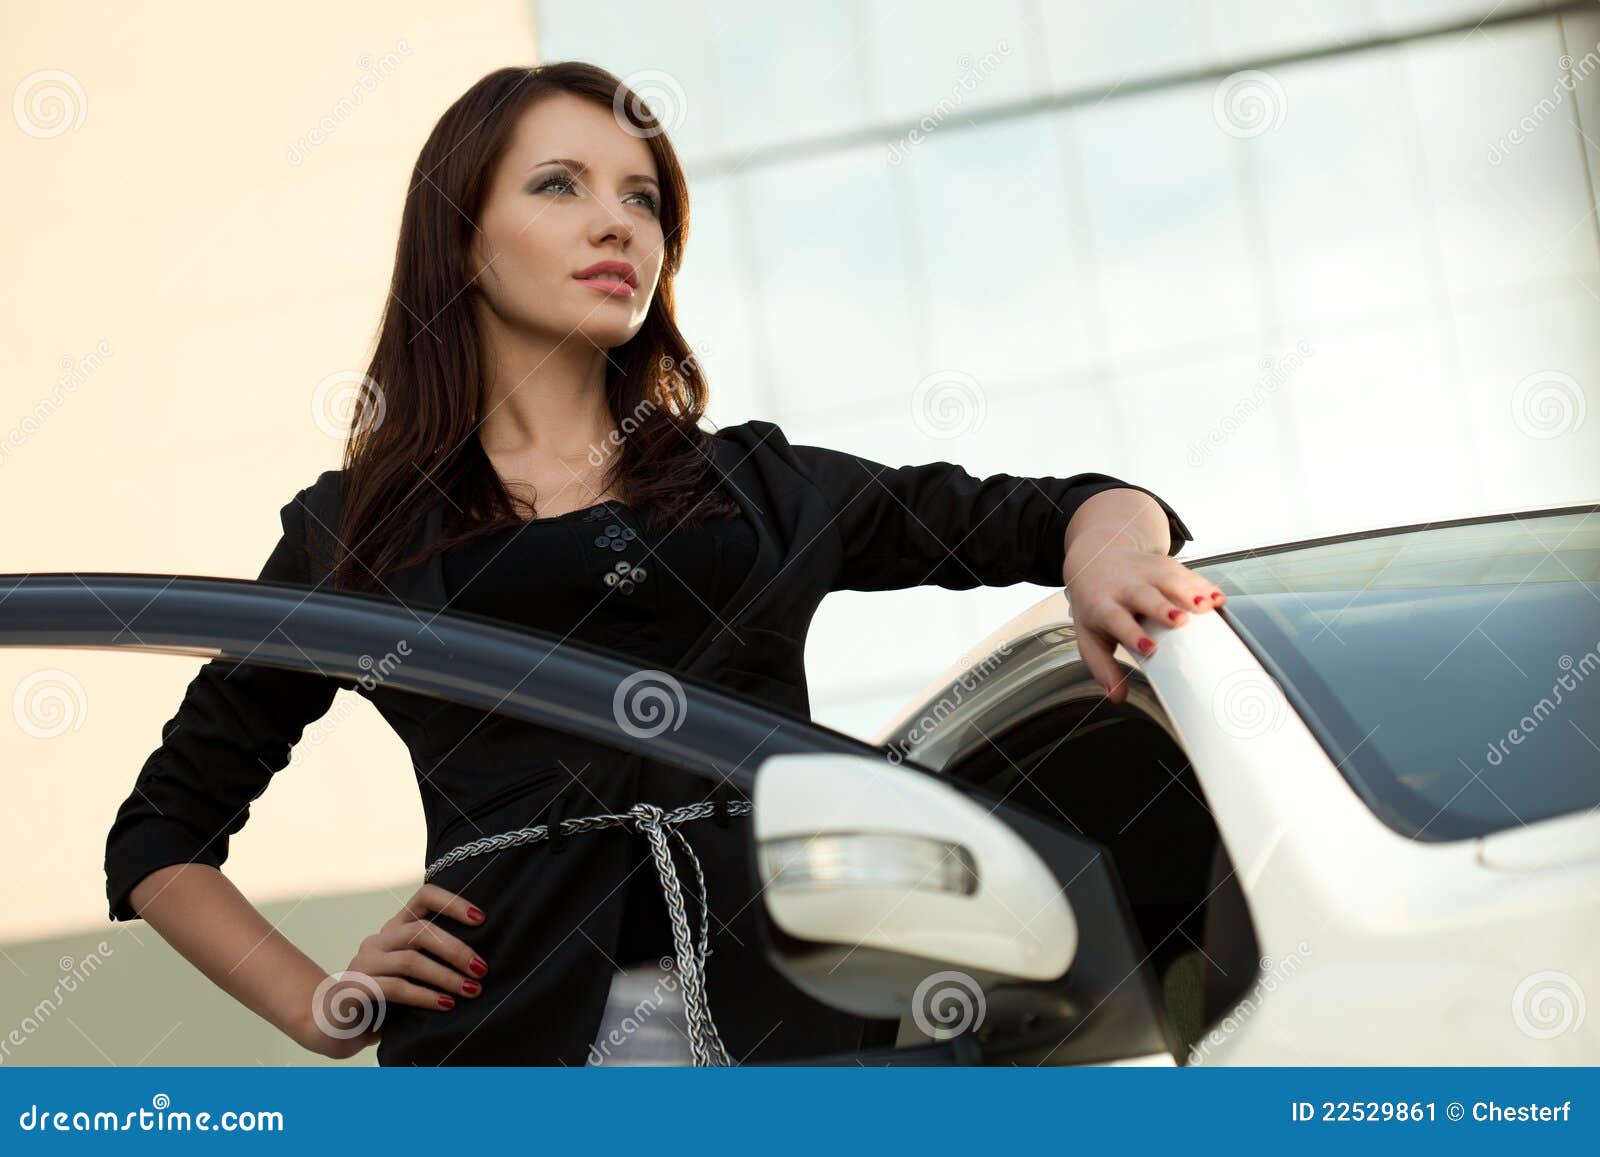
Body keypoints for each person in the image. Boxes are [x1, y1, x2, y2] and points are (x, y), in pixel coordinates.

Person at [103, 61, 1222, 1067]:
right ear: (459, 233)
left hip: (818, 1042)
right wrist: (320, 1003)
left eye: (641, 198)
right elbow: (162, 831)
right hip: (508, 1059)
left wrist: (1109, 554)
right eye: (560, 186)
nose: (617, 224)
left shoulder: (763, 485)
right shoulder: (357, 531)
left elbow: (1072, 510)